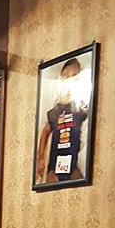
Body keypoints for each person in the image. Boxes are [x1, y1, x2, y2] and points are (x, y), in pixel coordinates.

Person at [35, 57, 88, 185]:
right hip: (55, 164)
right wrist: (40, 157)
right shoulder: (55, 112)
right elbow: (45, 132)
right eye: (66, 77)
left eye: (74, 76)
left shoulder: (81, 109)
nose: (70, 80)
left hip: (73, 162)